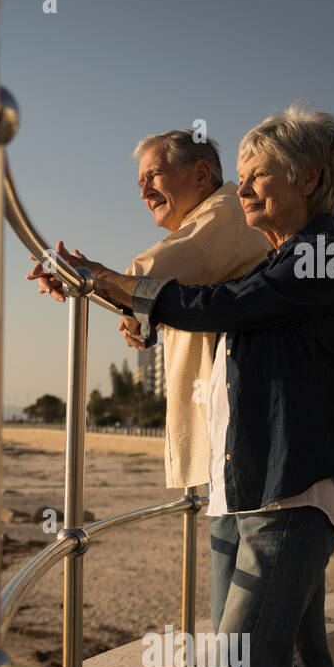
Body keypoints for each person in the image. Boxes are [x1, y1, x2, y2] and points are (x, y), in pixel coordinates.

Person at [29, 102, 334, 667]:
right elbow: (211, 305)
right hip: (252, 490)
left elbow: (218, 302)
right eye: (240, 180)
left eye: (257, 180)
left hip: (291, 490)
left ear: (309, 179)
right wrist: (124, 296)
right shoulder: (284, 259)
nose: (243, 194)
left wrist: (103, 279)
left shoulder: (322, 258)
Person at [41, 130, 270, 489]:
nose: (144, 192)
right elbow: (169, 290)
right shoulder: (210, 225)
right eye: (140, 183)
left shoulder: (227, 212)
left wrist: (87, 275)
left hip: (238, 444)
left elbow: (154, 274)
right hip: (226, 445)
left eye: (153, 177)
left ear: (199, 174)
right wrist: (134, 306)